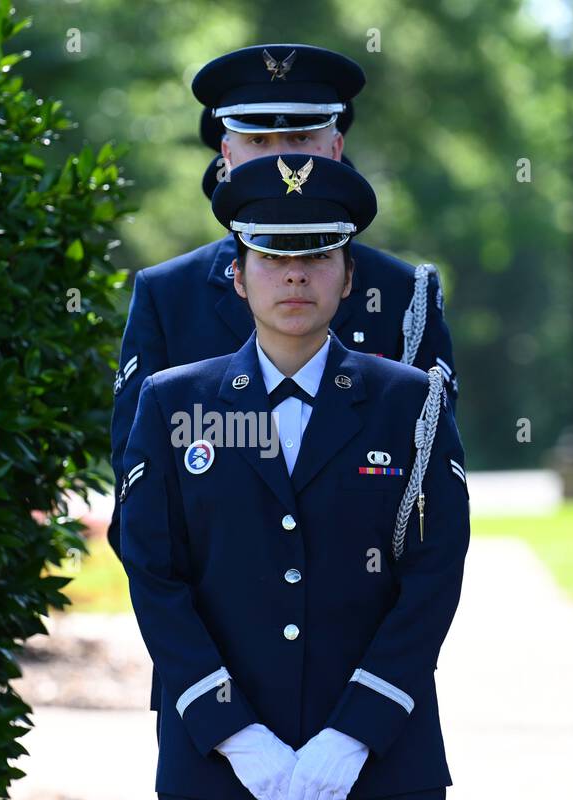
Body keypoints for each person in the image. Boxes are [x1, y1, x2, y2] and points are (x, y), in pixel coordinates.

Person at [118, 153, 470, 800]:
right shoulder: (174, 402)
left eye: (318, 255)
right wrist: (235, 734)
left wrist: (355, 733)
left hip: (382, 757)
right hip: (216, 762)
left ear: (348, 276)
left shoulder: (409, 402)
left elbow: (434, 570)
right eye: (272, 256)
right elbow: (156, 573)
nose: (296, 275)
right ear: (237, 276)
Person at [110, 41, 462, 719]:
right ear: (224, 156)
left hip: (369, 682)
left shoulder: (402, 294)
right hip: (211, 681)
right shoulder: (169, 296)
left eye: (299, 134)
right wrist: (212, 688)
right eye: (257, 137)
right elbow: (140, 514)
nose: (280, 158)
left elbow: (430, 514)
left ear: (335, 148)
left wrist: (372, 696)